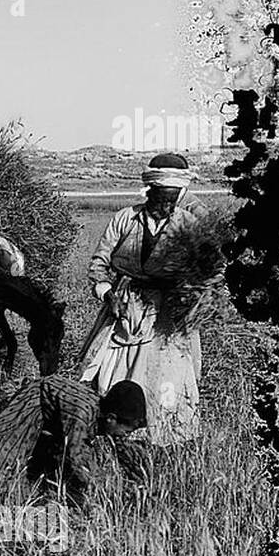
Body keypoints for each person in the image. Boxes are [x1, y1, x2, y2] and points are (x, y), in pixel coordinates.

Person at [77, 152, 209, 445]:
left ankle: (165, 438)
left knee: (168, 375)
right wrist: (108, 294)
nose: (167, 203)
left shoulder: (189, 225)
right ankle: (108, 435)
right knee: (106, 372)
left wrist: (189, 296)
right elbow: (99, 264)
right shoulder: (125, 219)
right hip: (125, 308)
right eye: (162, 195)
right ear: (150, 190)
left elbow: (203, 272)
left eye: (173, 197)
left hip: (168, 314)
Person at [0, 376, 147, 505]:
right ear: (111, 418)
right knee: (1, 458)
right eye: (126, 430)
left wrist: (140, 477)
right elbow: (77, 457)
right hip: (28, 406)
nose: (125, 436)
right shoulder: (82, 413)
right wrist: (108, 488)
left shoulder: (105, 417)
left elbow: (124, 451)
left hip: (51, 420)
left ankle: (11, 512)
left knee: (29, 475)